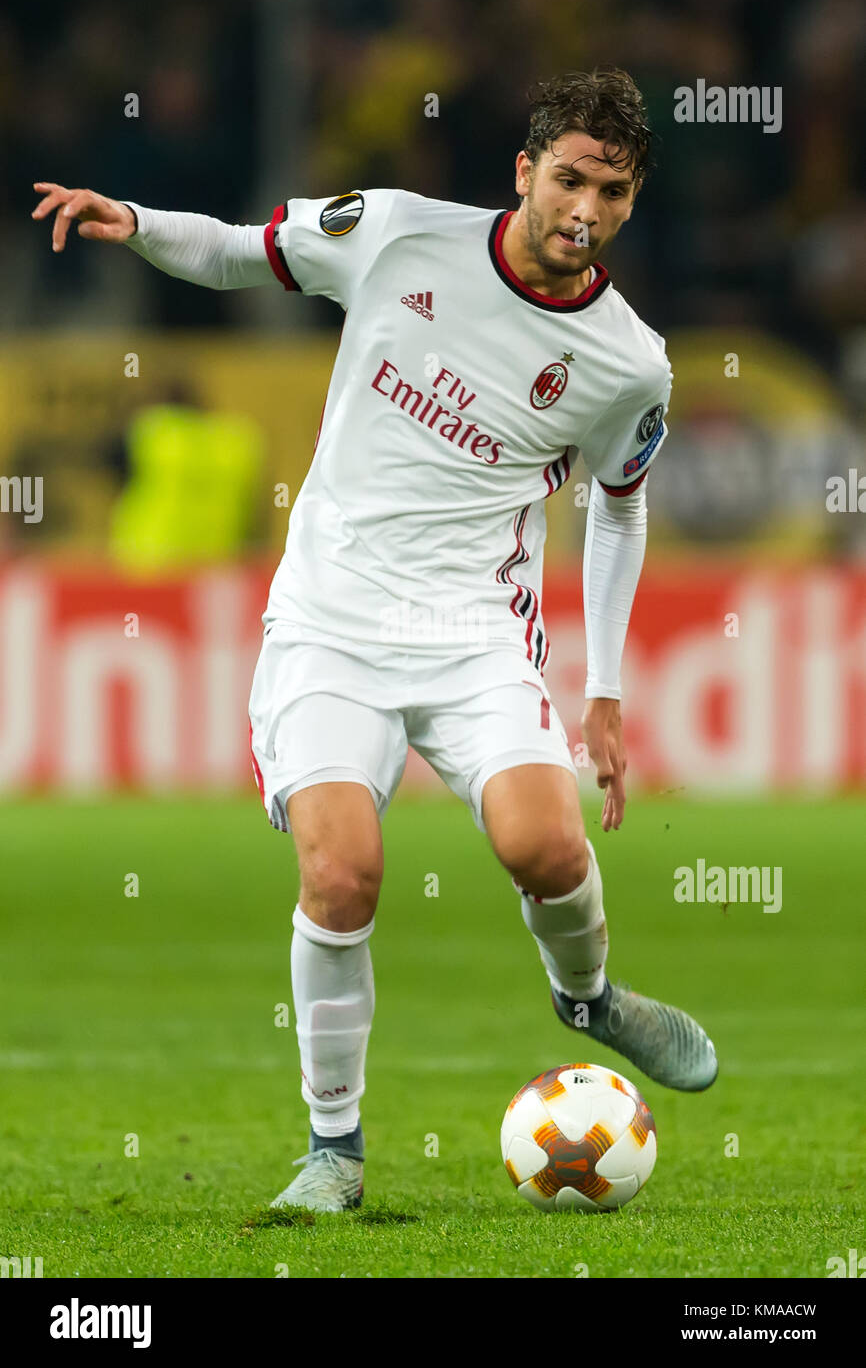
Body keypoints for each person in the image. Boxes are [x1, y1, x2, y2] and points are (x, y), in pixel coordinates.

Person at [33, 67, 717, 1215]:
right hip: (331, 622)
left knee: (544, 850)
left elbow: (618, 503)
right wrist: (134, 220)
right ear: (522, 172)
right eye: (565, 181)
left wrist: (602, 688)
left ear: (632, 199)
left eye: (610, 190)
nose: (582, 211)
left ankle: (589, 998)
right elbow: (238, 252)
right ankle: (334, 1151)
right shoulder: (397, 235)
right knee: (342, 872)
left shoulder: (628, 362)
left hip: (471, 633)